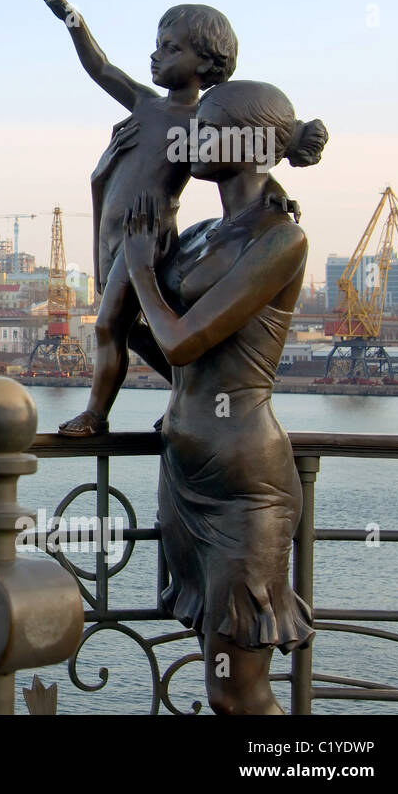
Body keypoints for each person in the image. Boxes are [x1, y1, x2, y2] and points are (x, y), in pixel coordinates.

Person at [121, 79, 327, 714]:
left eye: (205, 127)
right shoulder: (204, 231)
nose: (190, 138)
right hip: (184, 472)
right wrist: (125, 304)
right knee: (215, 682)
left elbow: (182, 342)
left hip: (245, 488)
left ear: (252, 141)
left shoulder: (280, 239)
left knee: (238, 691)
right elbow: (175, 360)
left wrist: (139, 271)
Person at [34, 0, 238, 436]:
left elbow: (241, 159)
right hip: (110, 234)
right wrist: (71, 18)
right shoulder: (146, 104)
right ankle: (191, 390)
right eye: (157, 45)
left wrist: (273, 193)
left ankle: (95, 415)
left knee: (108, 326)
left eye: (171, 48)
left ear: (205, 62)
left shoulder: (201, 121)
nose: (156, 56)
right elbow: (101, 67)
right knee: (130, 330)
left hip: (145, 234)